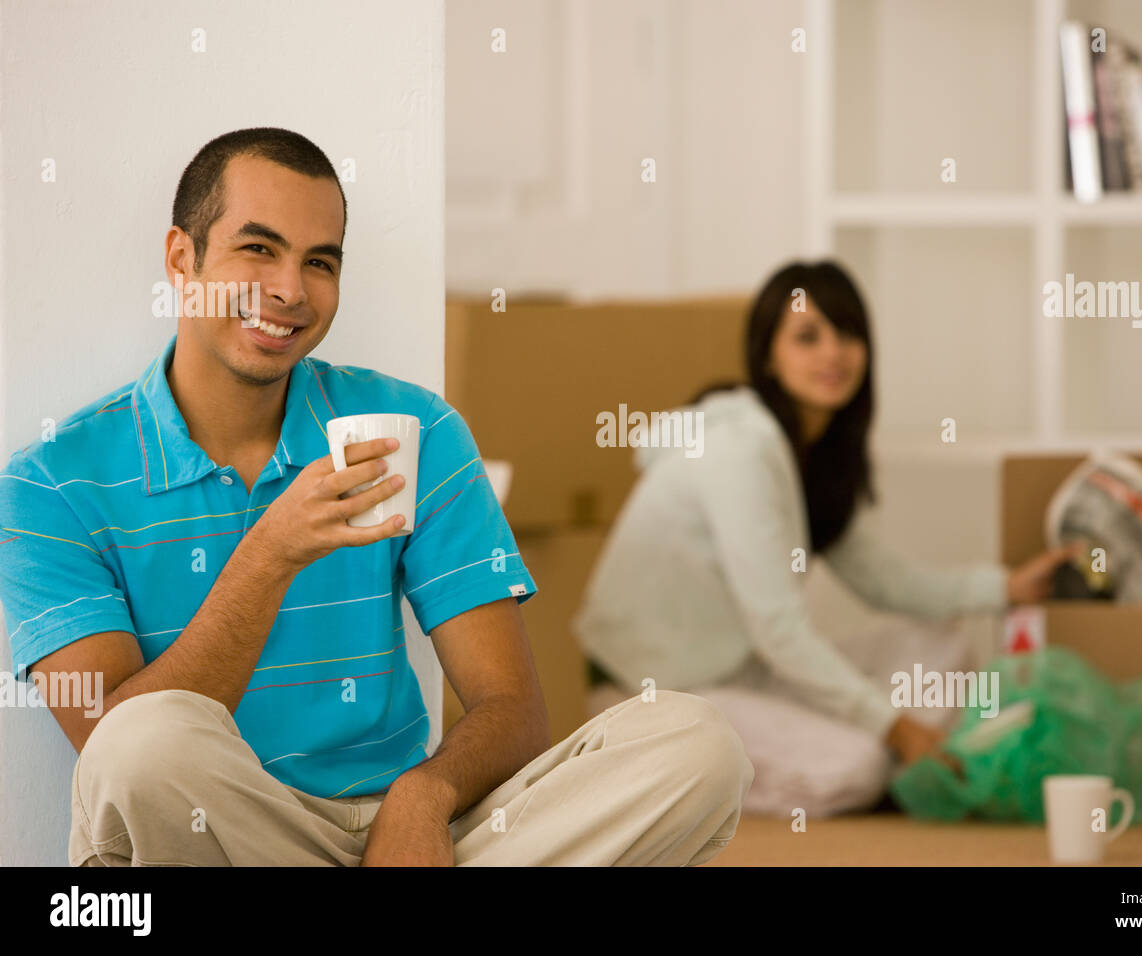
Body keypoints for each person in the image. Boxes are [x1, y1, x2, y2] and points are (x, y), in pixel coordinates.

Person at [0, 127, 751, 866]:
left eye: (319, 262)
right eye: (258, 249)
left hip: (411, 839)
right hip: (227, 835)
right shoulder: (49, 484)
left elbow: (512, 710)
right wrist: (270, 554)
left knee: (696, 745)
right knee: (139, 741)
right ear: (182, 259)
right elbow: (107, 746)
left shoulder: (415, 429)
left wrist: (422, 799)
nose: (291, 291)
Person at [574, 260, 1075, 818]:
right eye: (808, 337)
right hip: (656, 695)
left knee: (942, 650)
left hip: (744, 674)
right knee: (858, 764)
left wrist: (1007, 587)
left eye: (846, 333)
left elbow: (886, 581)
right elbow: (779, 630)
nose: (832, 352)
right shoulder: (739, 450)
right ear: (768, 354)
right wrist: (896, 728)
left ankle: (892, 762)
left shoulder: (810, 454)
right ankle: (667, 777)